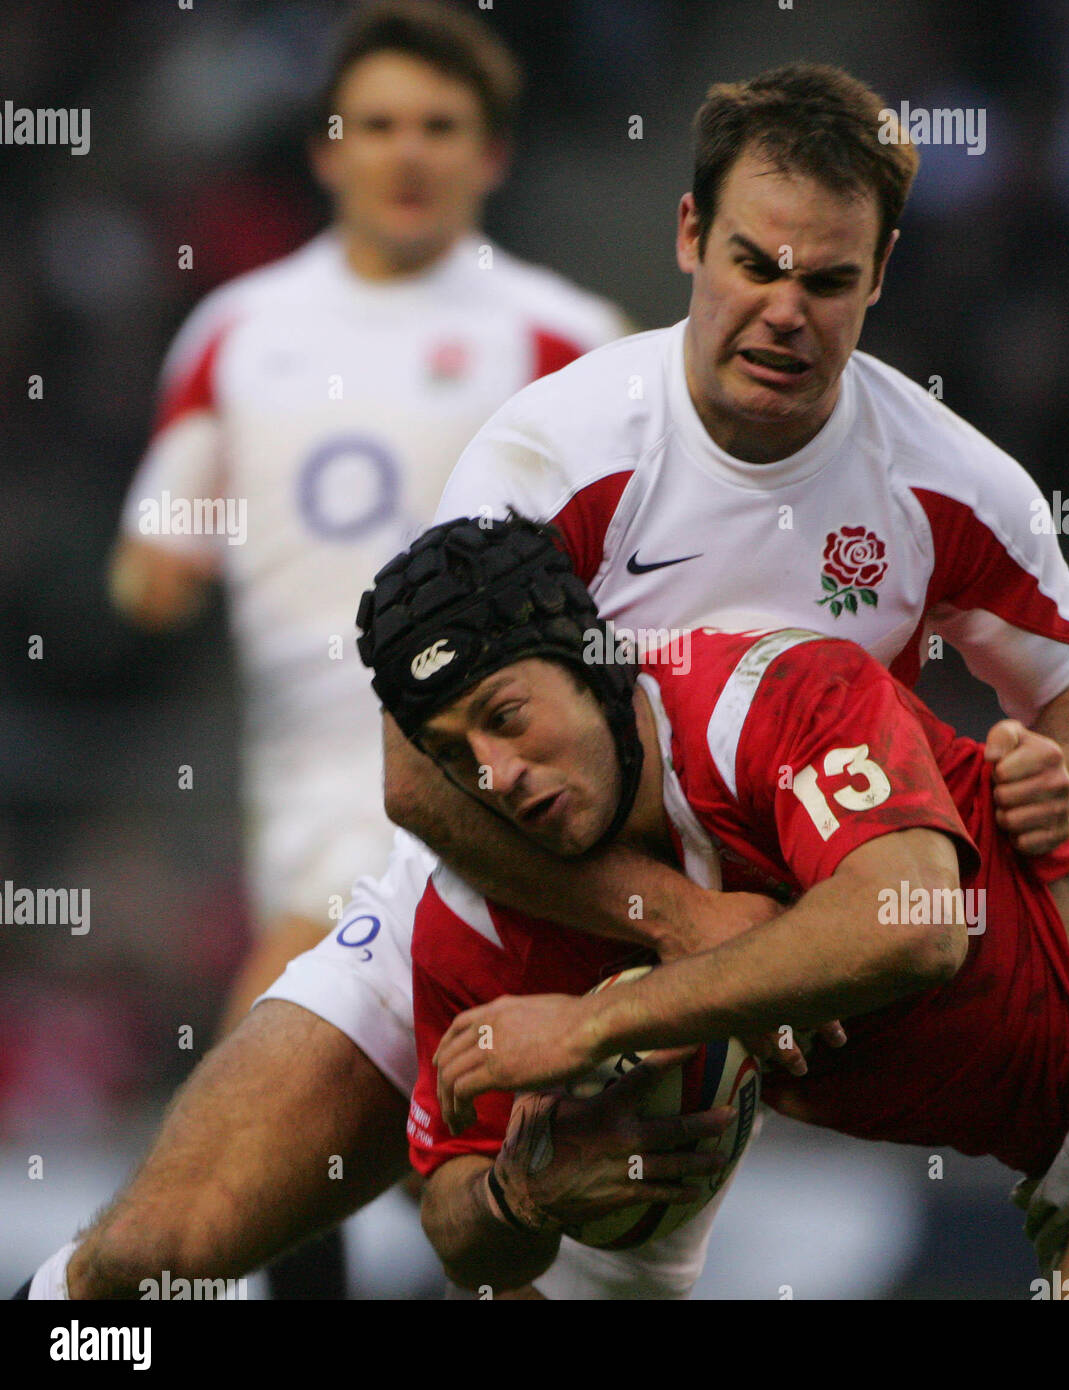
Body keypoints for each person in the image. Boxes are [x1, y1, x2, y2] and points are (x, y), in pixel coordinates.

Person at [22, 61, 1069, 1302]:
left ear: (876, 279)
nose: (784, 310)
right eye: (753, 264)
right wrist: (674, 919)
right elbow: (416, 770)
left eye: (827, 281)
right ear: (687, 237)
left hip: (733, 1005)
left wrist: (1067, 767)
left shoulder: (951, 486)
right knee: (154, 1254)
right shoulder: (556, 448)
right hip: (495, 907)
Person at [372, 513, 1069, 1301]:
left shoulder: (765, 694)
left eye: (507, 714)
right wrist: (516, 1196)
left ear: (589, 661)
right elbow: (457, 1217)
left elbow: (915, 927)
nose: (497, 773)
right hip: (1067, 1147)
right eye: (454, 756)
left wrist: (595, 1022)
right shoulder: (478, 918)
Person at [103, 0, 626, 1297]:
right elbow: (151, 571)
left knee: (492, 1195)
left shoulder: (563, 335)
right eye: (379, 124)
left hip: (497, 804)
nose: (408, 153)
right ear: (329, 149)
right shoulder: (238, 330)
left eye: (440, 128)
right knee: (251, 1175)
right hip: (314, 817)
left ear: (490, 154)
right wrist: (169, 552)